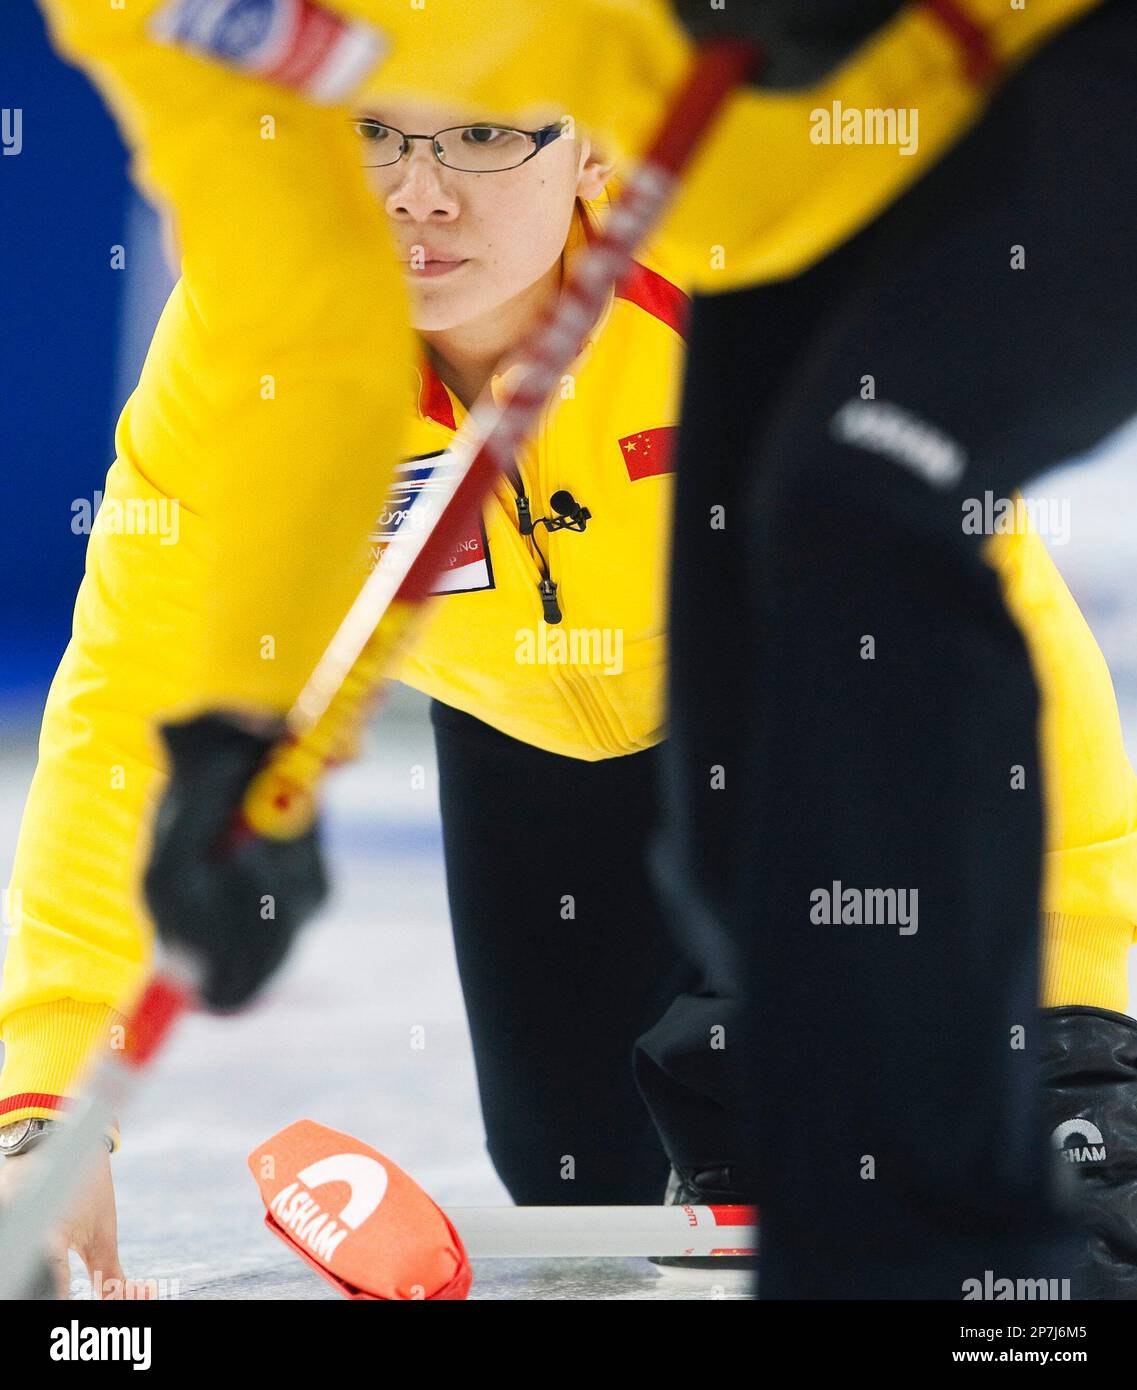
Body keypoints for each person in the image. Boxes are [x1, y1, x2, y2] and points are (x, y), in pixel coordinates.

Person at [5, 32, 1137, 1297]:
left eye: (486, 133)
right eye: (375, 130)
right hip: (524, 743)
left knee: (881, 1108)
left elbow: (998, 630)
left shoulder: (731, 270)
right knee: (576, 1182)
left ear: (591, 138)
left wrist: (1069, 1015)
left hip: (784, 725)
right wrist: (42, 1113)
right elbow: (124, 713)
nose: (417, 192)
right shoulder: (244, 353)